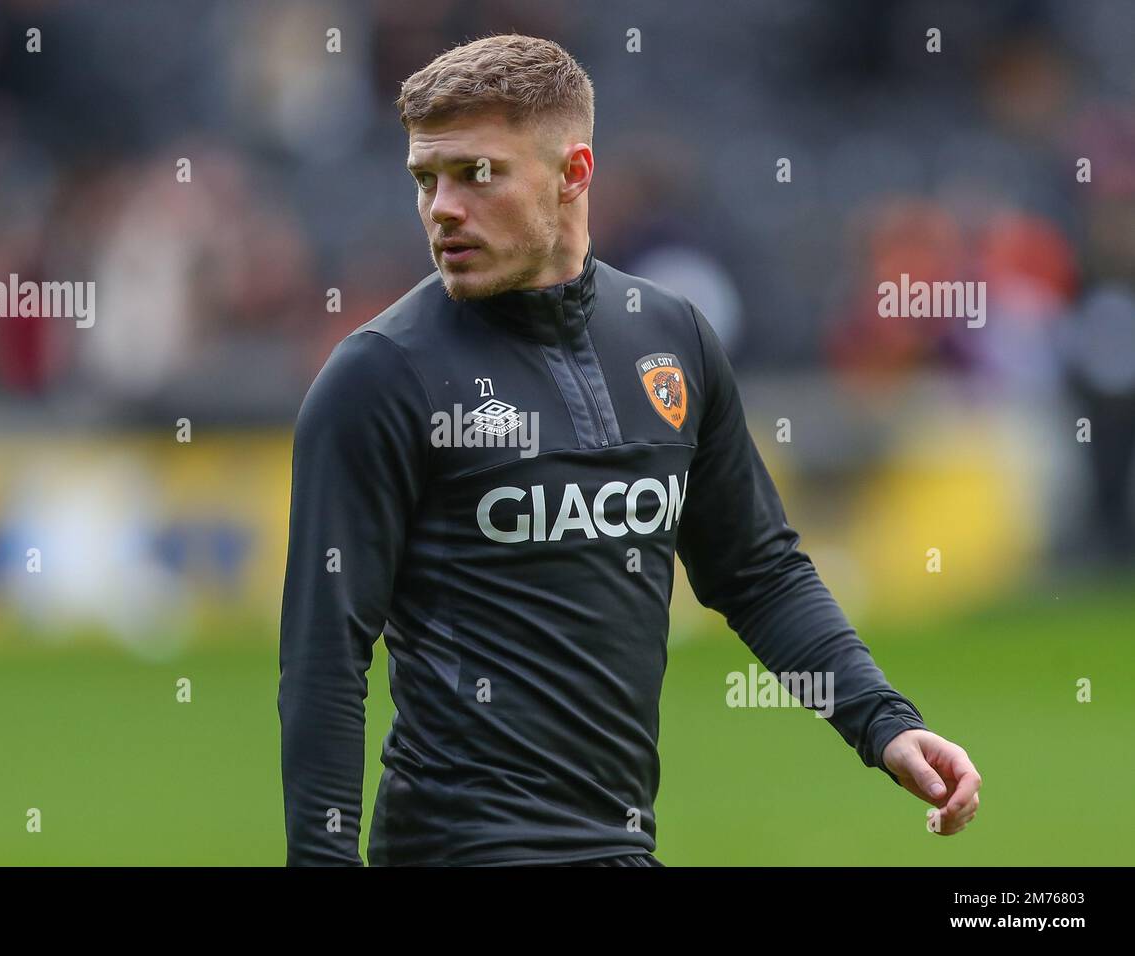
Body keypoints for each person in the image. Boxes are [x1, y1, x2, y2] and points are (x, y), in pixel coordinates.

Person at [278, 33, 980, 866]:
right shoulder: (380, 376)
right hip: (459, 848)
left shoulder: (670, 336)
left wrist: (884, 722)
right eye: (426, 180)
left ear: (574, 173)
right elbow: (325, 658)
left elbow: (756, 571)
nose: (442, 208)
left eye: (478, 174)